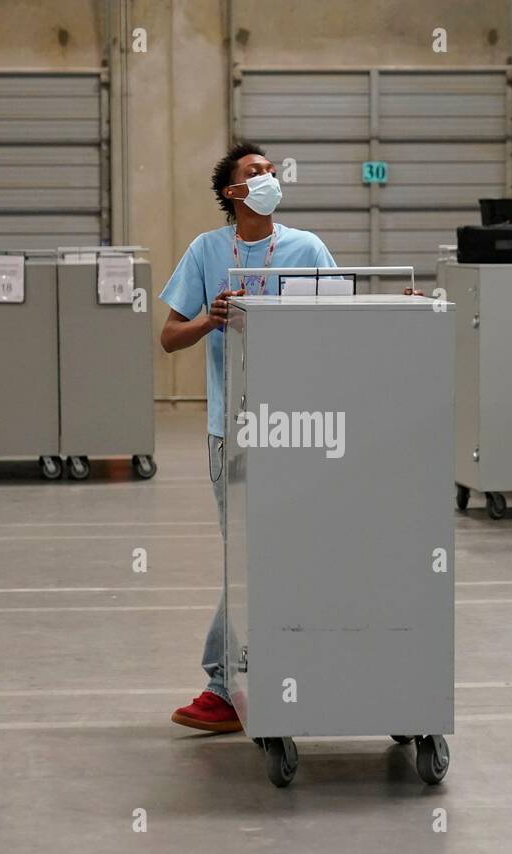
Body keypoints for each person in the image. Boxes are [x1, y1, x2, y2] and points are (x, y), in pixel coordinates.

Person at [158, 142, 336, 733]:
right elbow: (169, 337)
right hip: (230, 431)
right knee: (249, 554)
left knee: (288, 552)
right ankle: (225, 682)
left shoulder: (307, 248)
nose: (268, 179)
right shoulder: (207, 251)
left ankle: (247, 675)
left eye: (271, 171)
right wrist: (212, 316)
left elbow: (338, 318)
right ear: (233, 193)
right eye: (254, 173)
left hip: (299, 428)